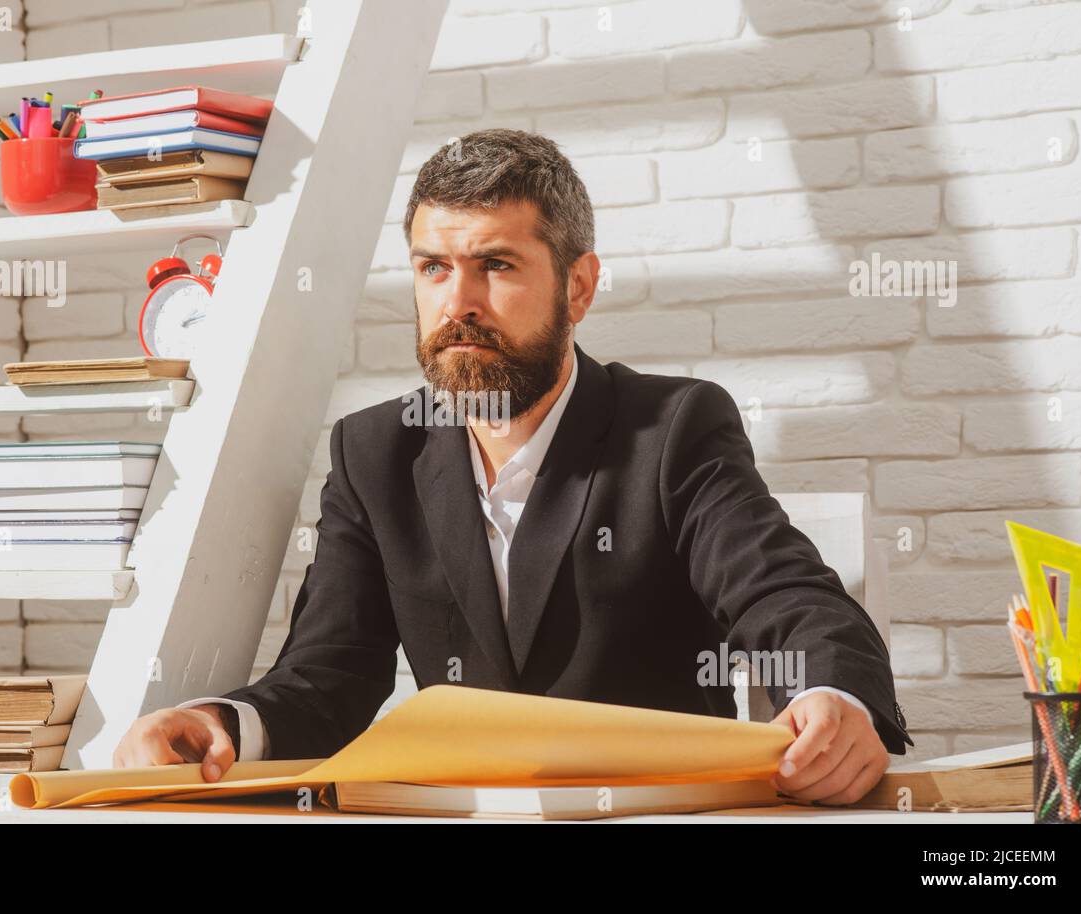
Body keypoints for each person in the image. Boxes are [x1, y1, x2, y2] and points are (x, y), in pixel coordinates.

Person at [115, 128, 911, 805]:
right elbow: (329, 678)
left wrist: (832, 699)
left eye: (495, 265)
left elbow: (787, 597)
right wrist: (220, 723)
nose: (458, 301)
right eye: (433, 267)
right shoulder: (372, 454)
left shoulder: (671, 429)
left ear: (580, 285)